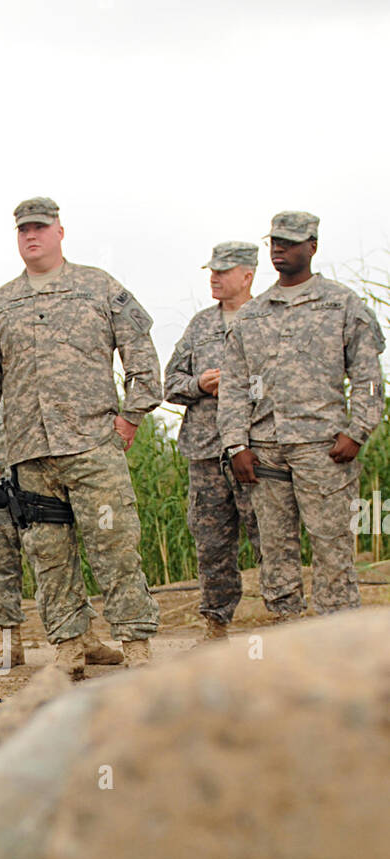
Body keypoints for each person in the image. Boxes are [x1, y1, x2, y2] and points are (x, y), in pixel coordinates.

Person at [0, 196, 160, 675]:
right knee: (48, 556)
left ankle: (135, 645)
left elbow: (142, 355)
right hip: (31, 453)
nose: (31, 236)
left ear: (59, 231)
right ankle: (68, 648)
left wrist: (132, 416)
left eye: (40, 227)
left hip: (92, 445)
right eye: (23, 230)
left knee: (115, 546)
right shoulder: (2, 302)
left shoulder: (98, 287)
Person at [218, 211, 385, 617]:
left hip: (324, 449)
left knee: (331, 545)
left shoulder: (342, 305)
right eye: (274, 242)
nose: (279, 250)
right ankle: (286, 631)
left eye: (290, 243)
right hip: (265, 453)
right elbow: (234, 386)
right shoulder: (252, 315)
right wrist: (236, 444)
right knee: (274, 549)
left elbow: (368, 379)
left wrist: (358, 431)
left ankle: (337, 636)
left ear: (312, 246)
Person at [0, 389, 108, 669]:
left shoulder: (42, 386)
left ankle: (84, 638)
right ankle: (9, 643)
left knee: (58, 562)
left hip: (41, 491)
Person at [164, 241, 265, 639]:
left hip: (256, 448)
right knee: (212, 543)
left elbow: (292, 382)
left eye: (224, 271)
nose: (214, 277)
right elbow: (170, 383)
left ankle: (282, 620)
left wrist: (243, 386)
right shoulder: (200, 325)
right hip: (206, 453)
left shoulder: (267, 320)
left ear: (248, 275)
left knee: (267, 537)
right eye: (212, 270)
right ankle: (216, 626)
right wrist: (199, 384)